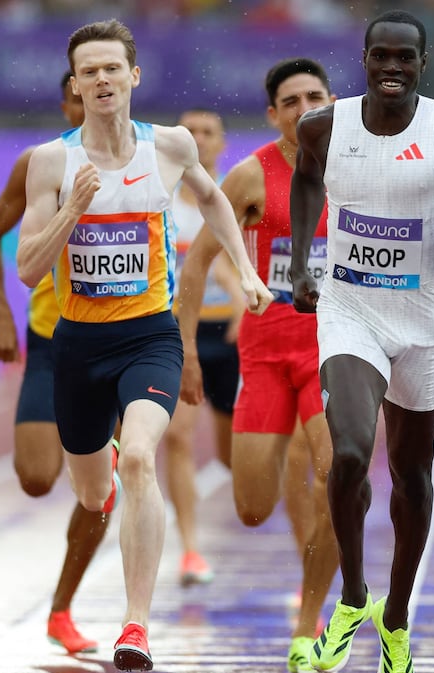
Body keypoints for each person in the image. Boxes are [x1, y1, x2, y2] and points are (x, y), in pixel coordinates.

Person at [16, 19, 272, 673]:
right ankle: (100, 479)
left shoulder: (171, 146)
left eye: (112, 68)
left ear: (134, 77)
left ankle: (136, 625)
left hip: (150, 336)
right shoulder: (52, 161)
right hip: (78, 345)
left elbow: (215, 202)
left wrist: (244, 271)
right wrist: (72, 210)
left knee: (138, 460)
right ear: (75, 84)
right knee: (91, 494)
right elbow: (27, 268)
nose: (101, 80)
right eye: (89, 71)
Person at [289, 9, 434, 673]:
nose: (392, 67)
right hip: (350, 311)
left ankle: (396, 618)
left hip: (421, 321)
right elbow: (306, 180)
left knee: (411, 474)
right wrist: (303, 265)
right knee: (347, 452)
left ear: (423, 64)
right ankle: (353, 595)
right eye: (381, 56)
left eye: (406, 57)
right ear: (364, 60)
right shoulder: (324, 127)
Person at [176, 56, 339, 673]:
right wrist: (187, 351)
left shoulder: (352, 168)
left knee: (336, 476)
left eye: (314, 96)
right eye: (290, 101)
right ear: (273, 114)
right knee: (252, 506)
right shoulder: (248, 177)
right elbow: (194, 268)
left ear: (332, 100)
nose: (303, 109)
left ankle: (311, 622)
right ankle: (318, 579)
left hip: (333, 350)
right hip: (266, 356)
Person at [0, 70, 108, 656]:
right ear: (66, 100)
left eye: (108, 88)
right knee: (36, 479)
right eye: (82, 91)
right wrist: (3, 313)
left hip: (122, 344)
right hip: (53, 343)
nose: (96, 99)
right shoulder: (39, 162)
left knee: (100, 494)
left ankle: (61, 609)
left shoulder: (143, 161)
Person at [165, 106, 243, 587]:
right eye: (188, 131)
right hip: (180, 335)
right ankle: (190, 549)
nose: (197, 138)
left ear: (221, 144)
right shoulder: (159, 203)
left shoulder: (238, 197)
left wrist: (240, 300)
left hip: (233, 337)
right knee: (176, 437)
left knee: (237, 458)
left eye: (206, 132)